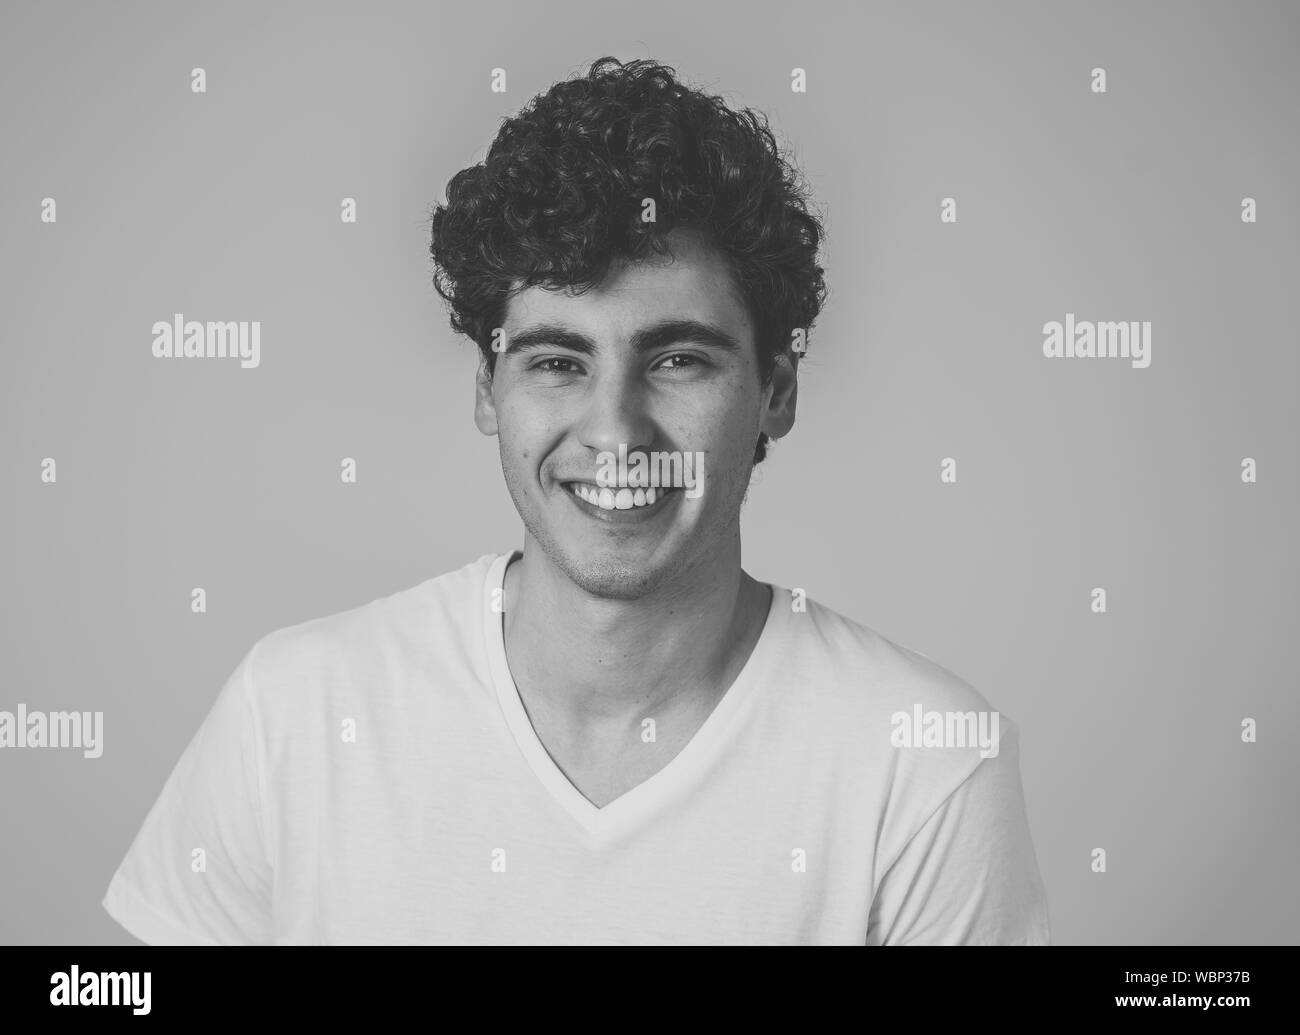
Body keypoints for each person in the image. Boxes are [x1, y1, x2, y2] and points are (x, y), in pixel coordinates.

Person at [102, 56, 1050, 945]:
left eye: (678, 359)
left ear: (776, 390)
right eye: (558, 360)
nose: (615, 434)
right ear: (489, 389)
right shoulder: (296, 712)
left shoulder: (922, 764)